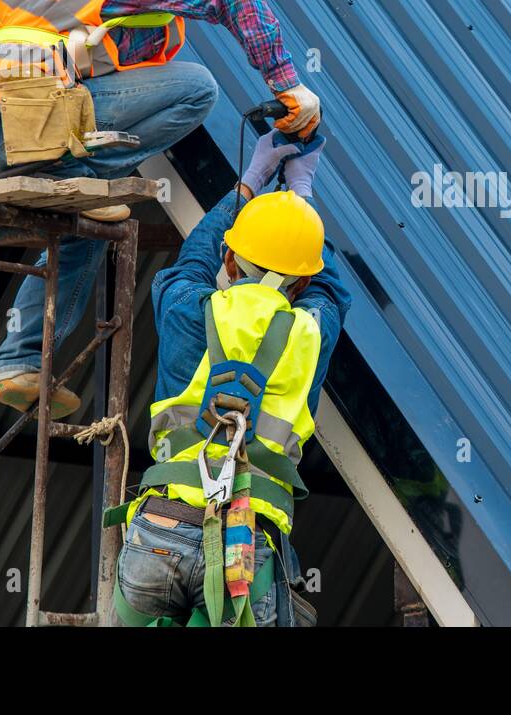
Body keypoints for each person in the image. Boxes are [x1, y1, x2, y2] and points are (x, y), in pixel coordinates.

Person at [0, 0, 322, 419]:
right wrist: (289, 86)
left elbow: (106, 94)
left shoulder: (138, 13)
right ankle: (82, 179)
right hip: (8, 115)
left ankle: (20, 361)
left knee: (84, 230)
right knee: (197, 87)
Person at [110, 130, 350, 626]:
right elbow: (328, 289)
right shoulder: (310, 333)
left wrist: (251, 182)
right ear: (301, 282)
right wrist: (300, 197)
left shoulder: (185, 310)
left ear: (229, 260)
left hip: (159, 530)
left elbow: (193, 259)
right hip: (244, 551)